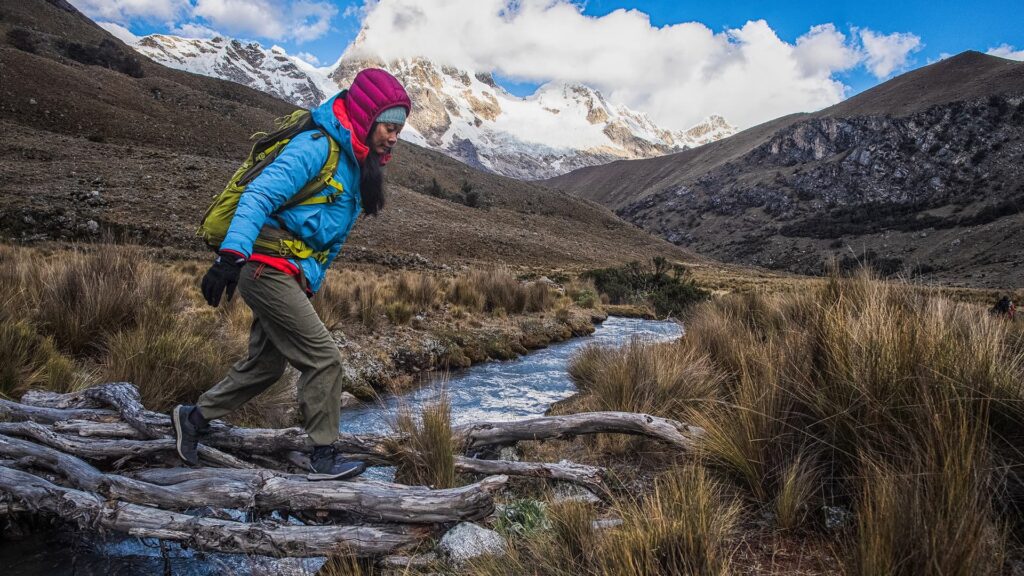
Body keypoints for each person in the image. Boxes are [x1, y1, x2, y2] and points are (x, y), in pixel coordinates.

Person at [172, 68, 411, 479]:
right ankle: (323, 458)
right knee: (324, 359)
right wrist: (230, 257)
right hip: (266, 267)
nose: (393, 137)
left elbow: (322, 235)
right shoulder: (317, 146)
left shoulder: (355, 162)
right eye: (389, 127)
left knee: (266, 367)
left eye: (398, 131)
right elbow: (259, 194)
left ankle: (191, 420)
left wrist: (309, 279)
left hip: (289, 272)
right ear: (368, 116)